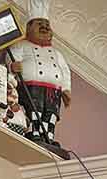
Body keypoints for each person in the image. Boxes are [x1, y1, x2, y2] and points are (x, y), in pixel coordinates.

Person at [9, 0, 71, 147]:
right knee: (33, 110)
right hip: (31, 86)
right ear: (29, 28)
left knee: (51, 114)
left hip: (53, 90)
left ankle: (48, 136)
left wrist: (66, 90)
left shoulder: (57, 53)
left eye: (46, 26)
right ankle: (34, 132)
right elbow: (11, 58)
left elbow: (65, 71)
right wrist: (12, 66)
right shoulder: (21, 45)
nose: (44, 27)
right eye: (39, 24)